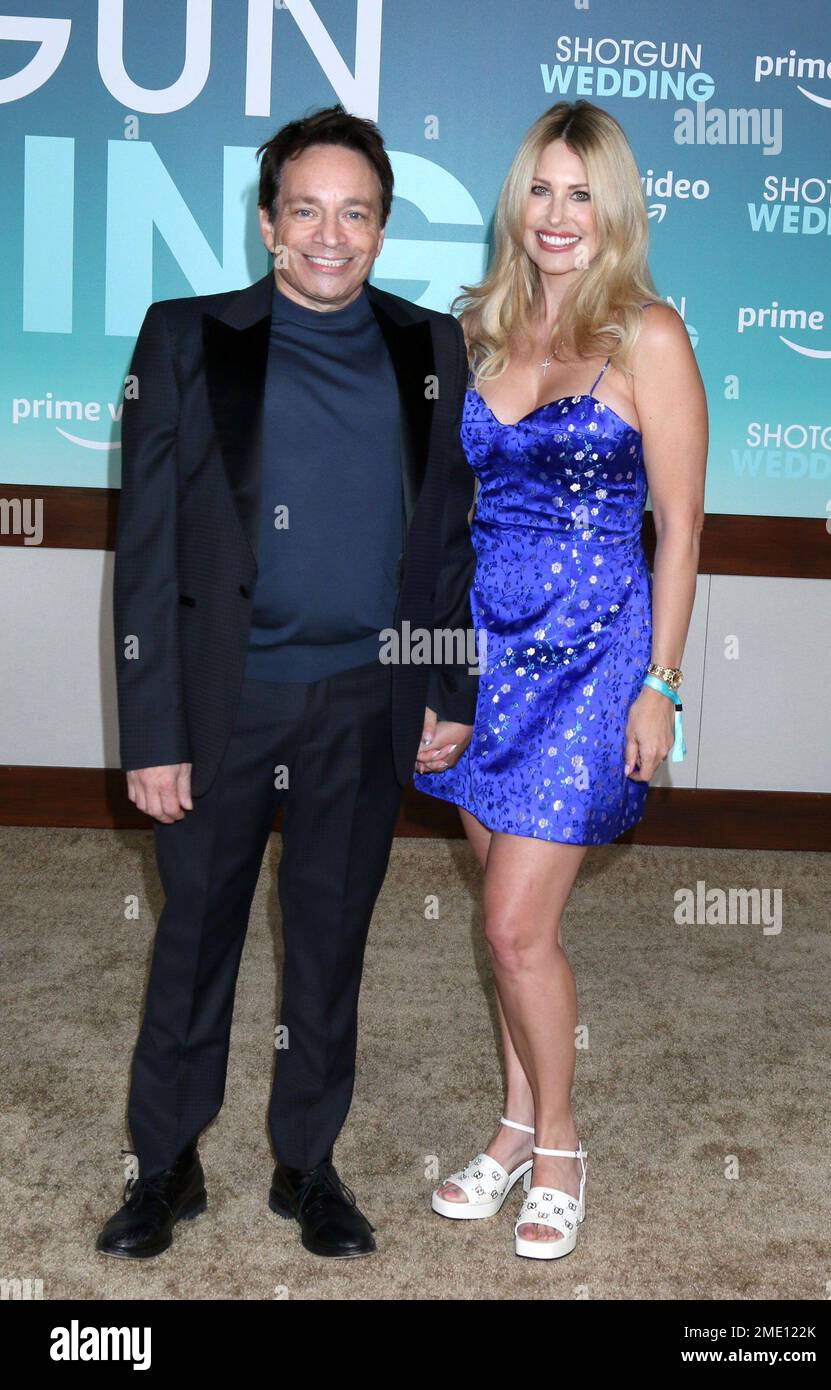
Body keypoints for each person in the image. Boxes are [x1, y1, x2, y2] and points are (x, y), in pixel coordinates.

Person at [99, 104, 477, 1261]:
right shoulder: (182, 337)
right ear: (267, 224)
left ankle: (306, 1164)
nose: (329, 234)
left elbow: (449, 539)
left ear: (380, 228)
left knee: (328, 940)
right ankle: (164, 1164)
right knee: (194, 935)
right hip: (222, 704)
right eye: (304, 210)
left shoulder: (432, 348)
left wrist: (445, 689)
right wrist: (150, 731)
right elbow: (148, 549)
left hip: (362, 704)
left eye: (354, 212)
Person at [415, 99, 707, 1260]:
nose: (555, 213)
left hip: (592, 661)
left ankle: (560, 1147)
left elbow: (679, 529)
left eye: (579, 192)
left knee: (512, 924)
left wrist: (661, 684)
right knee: (503, 934)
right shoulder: (476, 333)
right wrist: (433, 677)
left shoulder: (648, 334)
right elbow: (439, 520)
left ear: (613, 209)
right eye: (539, 189)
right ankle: (509, 1126)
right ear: (514, 202)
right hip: (487, 657)